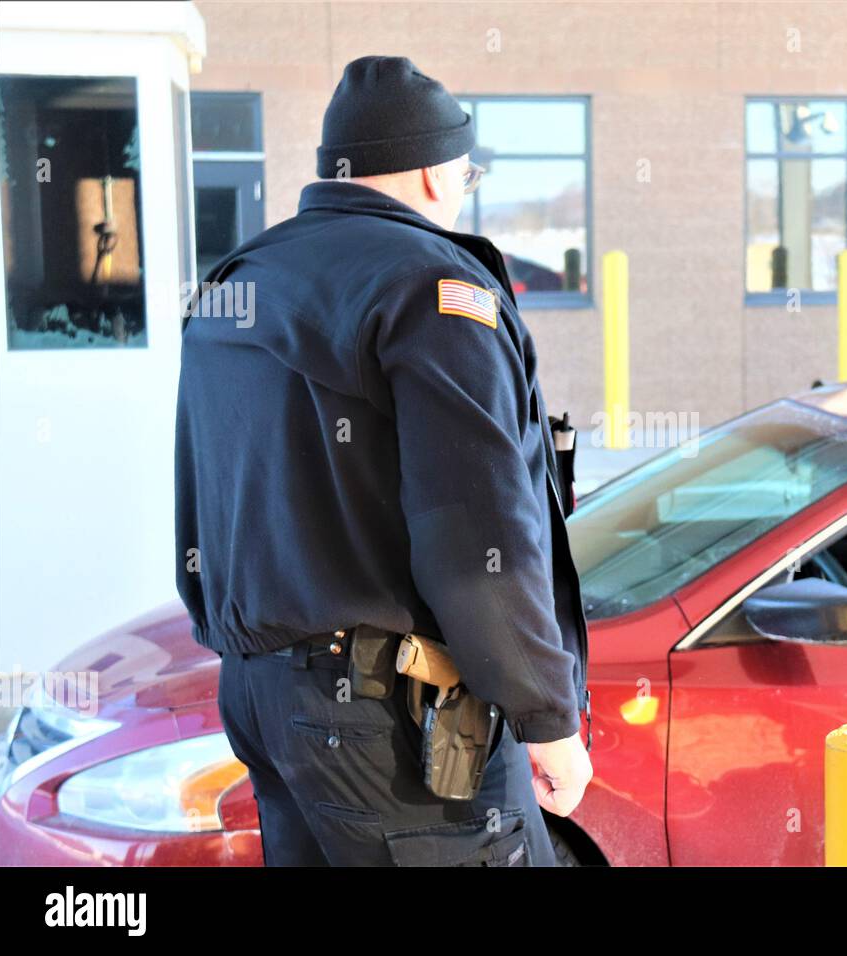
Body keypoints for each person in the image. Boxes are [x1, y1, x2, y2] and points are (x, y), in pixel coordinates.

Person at [175, 55, 592, 866]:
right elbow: (478, 538)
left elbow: (204, 501)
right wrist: (547, 717)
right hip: (394, 724)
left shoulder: (236, 283)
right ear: (438, 176)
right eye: (467, 172)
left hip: (264, 696)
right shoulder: (433, 289)